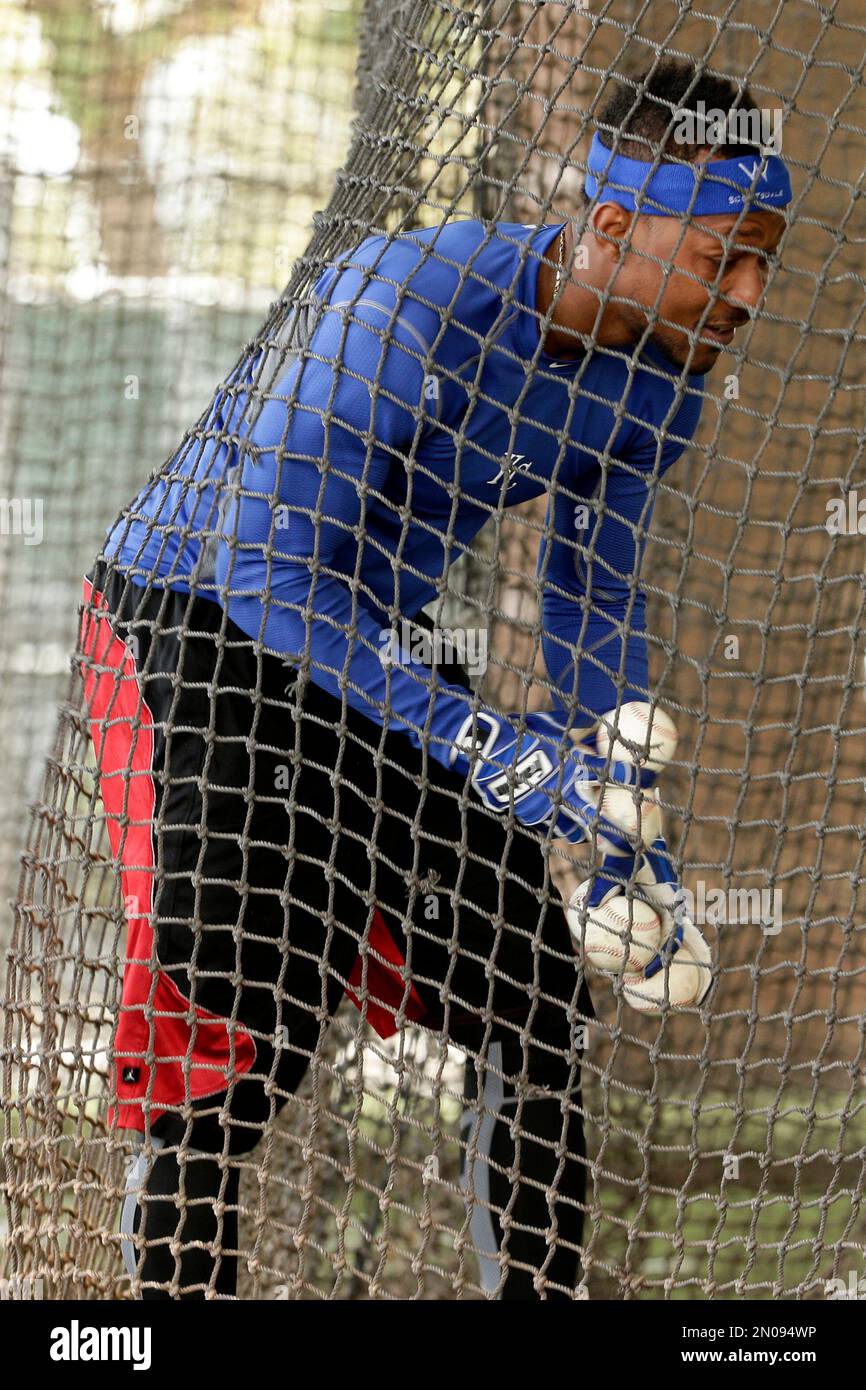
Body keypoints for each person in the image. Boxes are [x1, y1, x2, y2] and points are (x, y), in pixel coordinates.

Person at [81, 56, 789, 1299]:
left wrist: (622, 808)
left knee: (533, 992)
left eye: (763, 257)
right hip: (194, 617)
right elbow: (263, 573)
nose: (747, 292)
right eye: (723, 252)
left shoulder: (665, 371)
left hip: (364, 633)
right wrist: (491, 747)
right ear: (610, 222)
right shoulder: (404, 301)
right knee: (245, 1011)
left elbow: (589, 594)